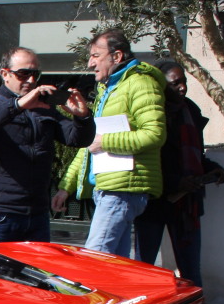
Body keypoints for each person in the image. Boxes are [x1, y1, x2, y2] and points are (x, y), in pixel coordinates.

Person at [134, 59, 224, 304]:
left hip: (187, 203)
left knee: (190, 273)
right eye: (175, 83)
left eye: (183, 81)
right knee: (143, 270)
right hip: (153, 200)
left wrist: (211, 170)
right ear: (161, 85)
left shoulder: (191, 112)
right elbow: (144, 158)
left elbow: (196, 154)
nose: (182, 87)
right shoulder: (150, 111)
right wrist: (176, 181)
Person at [52, 29, 166, 257]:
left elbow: (154, 134)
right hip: (111, 189)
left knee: (93, 260)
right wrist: (66, 186)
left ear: (117, 56)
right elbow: (91, 143)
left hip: (123, 189)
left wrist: (105, 142)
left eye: (96, 55)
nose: (90, 63)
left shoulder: (141, 83)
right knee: (112, 265)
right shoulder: (110, 89)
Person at [0, 47, 94, 243]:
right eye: (23, 73)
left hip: (37, 212)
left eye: (35, 74)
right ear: (5, 74)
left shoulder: (44, 107)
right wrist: (17, 105)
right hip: (0, 212)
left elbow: (77, 139)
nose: (31, 80)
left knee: (36, 265)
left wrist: (82, 117)